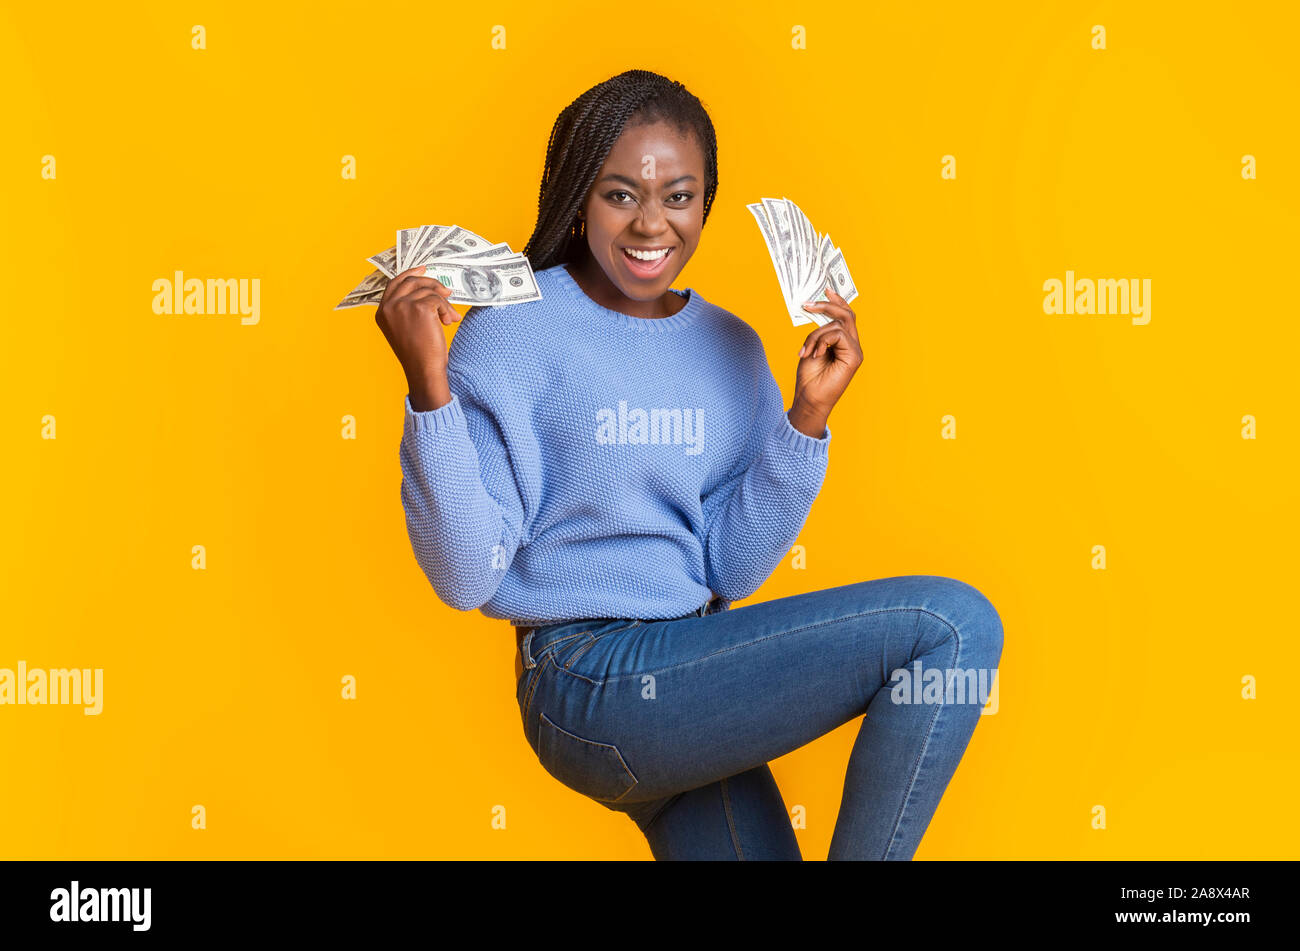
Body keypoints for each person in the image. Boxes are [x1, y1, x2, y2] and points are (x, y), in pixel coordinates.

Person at [375, 68, 1003, 860]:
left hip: (692, 673)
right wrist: (429, 387)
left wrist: (807, 415)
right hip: (587, 678)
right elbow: (465, 575)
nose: (651, 224)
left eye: (679, 195)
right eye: (619, 194)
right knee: (952, 625)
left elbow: (730, 566)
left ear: (706, 201)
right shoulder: (512, 331)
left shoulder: (734, 348)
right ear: (578, 196)